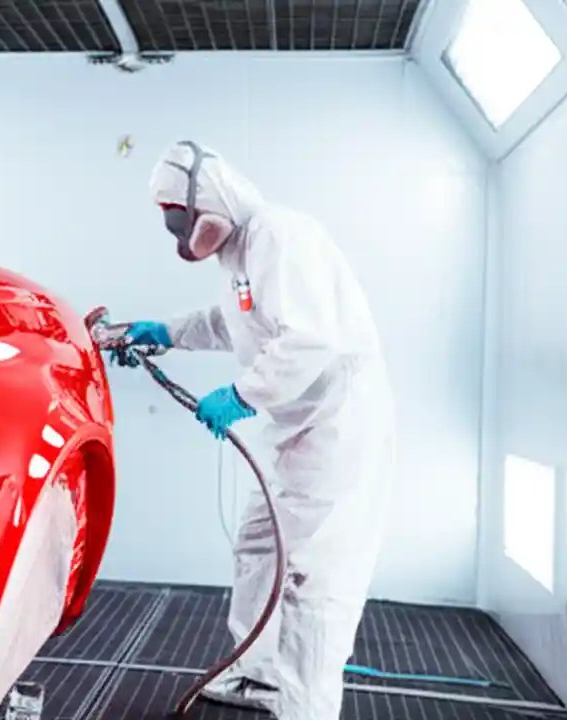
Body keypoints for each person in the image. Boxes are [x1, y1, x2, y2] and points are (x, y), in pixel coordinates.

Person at [110, 141, 395, 720]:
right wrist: (163, 330)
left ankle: (305, 710)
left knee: (314, 580)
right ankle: (259, 674)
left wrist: (241, 396)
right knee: (260, 545)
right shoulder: (238, 254)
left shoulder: (278, 236)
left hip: (339, 430)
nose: (178, 236)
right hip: (299, 429)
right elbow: (230, 322)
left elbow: (310, 339)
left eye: (177, 220)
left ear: (206, 201)